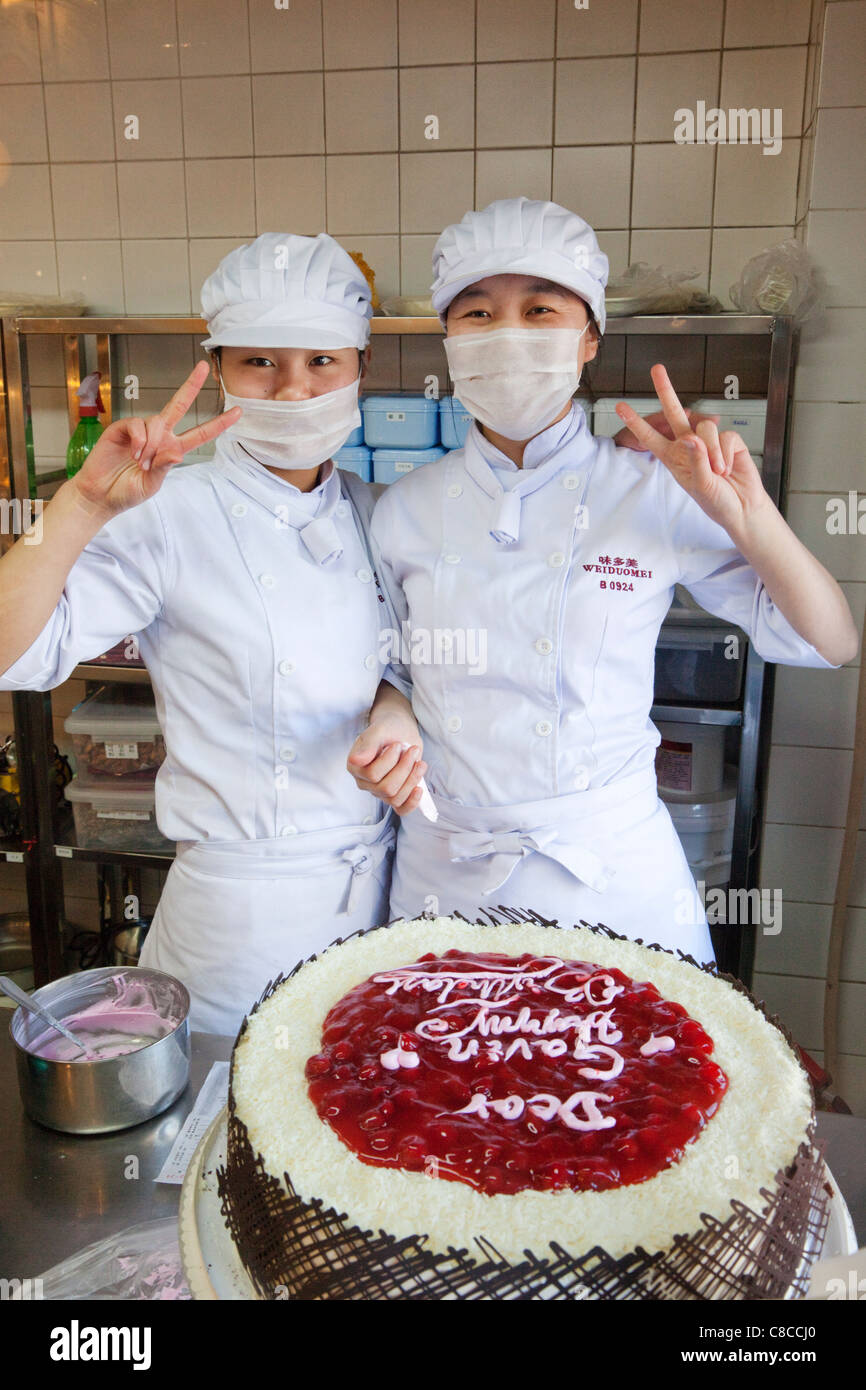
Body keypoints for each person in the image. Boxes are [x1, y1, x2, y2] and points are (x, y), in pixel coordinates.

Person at [348, 198, 858, 964]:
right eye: (478, 313)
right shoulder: (405, 510)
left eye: (540, 309)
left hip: (612, 875)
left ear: (588, 339)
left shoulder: (649, 489)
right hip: (447, 874)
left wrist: (748, 513)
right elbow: (391, 660)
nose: (509, 333)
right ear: (449, 340)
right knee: (448, 1080)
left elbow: (828, 641)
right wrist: (393, 708)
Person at [0, 233, 421, 1035]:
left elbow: (397, 659)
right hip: (235, 928)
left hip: (375, 907)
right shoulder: (167, 510)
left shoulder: (371, 510)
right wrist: (80, 509)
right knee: (225, 1141)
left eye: (322, 361)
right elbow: (13, 655)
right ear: (219, 368)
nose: (294, 389)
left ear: (361, 369)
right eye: (261, 361)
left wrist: (394, 707)